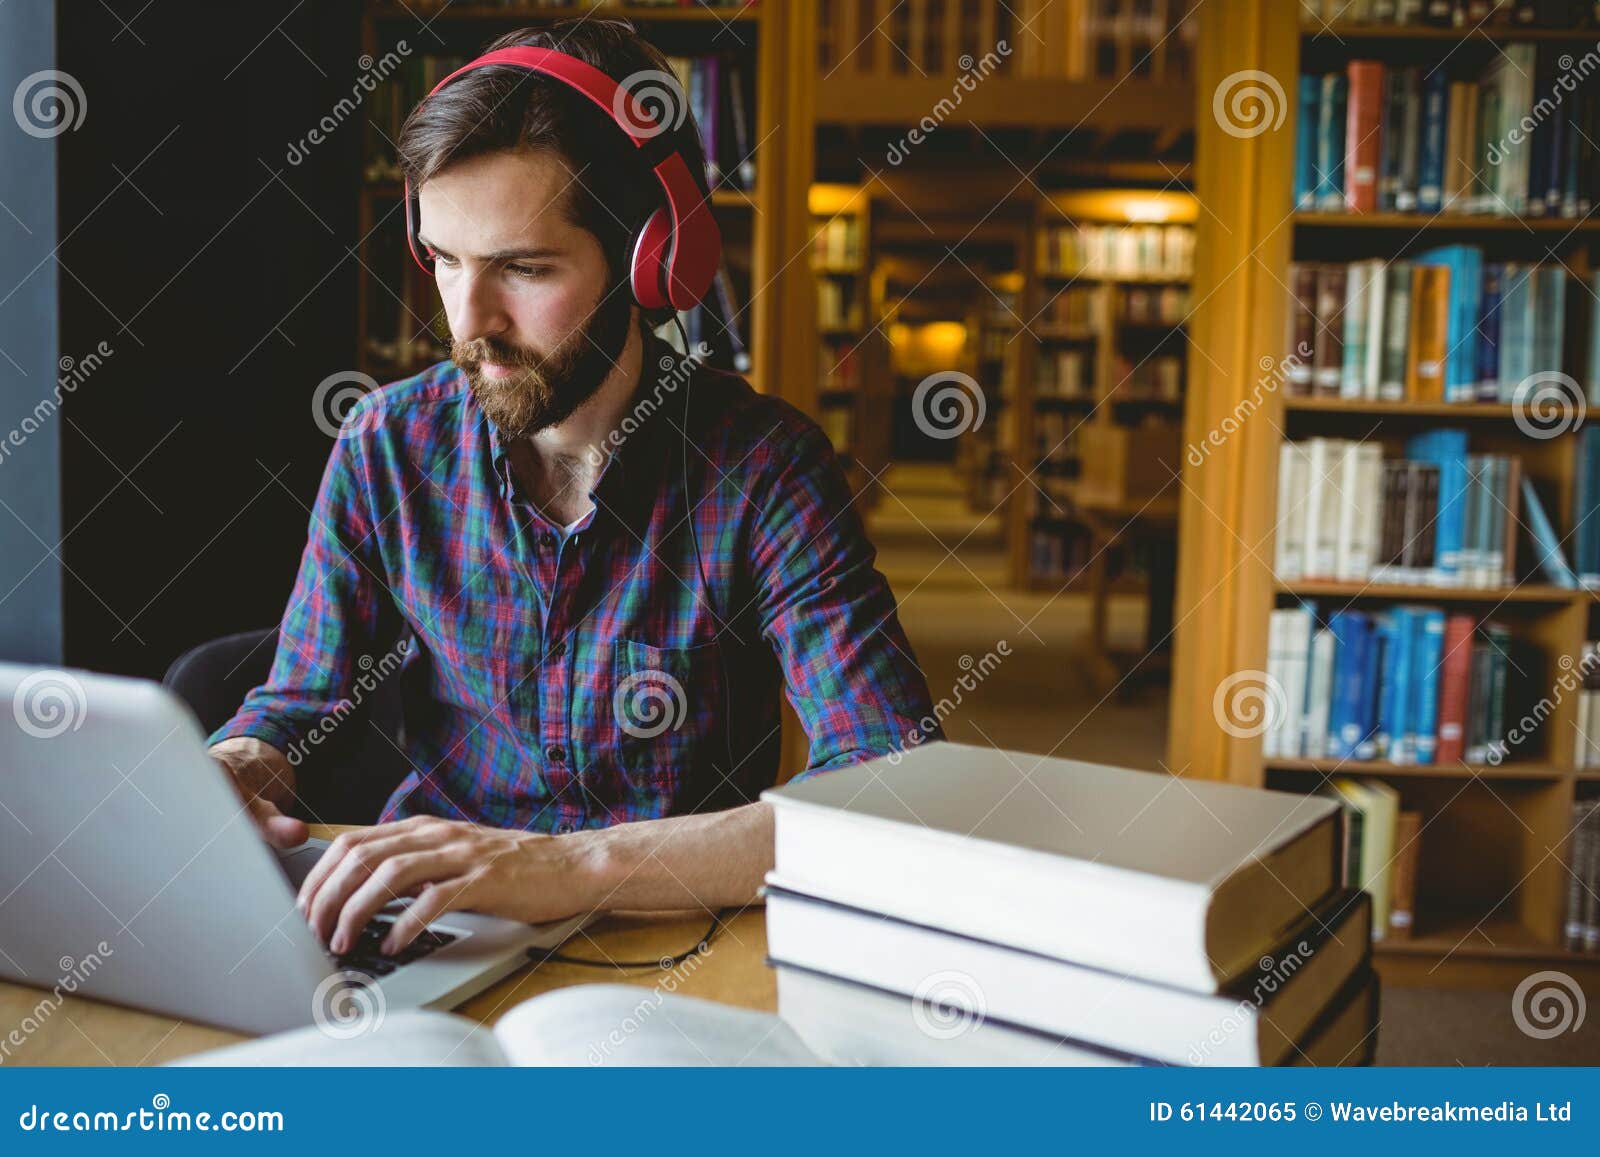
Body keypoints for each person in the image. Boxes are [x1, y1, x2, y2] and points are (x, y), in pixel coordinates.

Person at [206, 20, 939, 959]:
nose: (469, 322)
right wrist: (242, 762)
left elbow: (895, 791)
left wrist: (571, 866)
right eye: (445, 260)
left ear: (651, 262)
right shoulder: (387, 443)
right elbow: (299, 700)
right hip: (430, 927)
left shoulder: (767, 471)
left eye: (523, 267)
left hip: (667, 938)